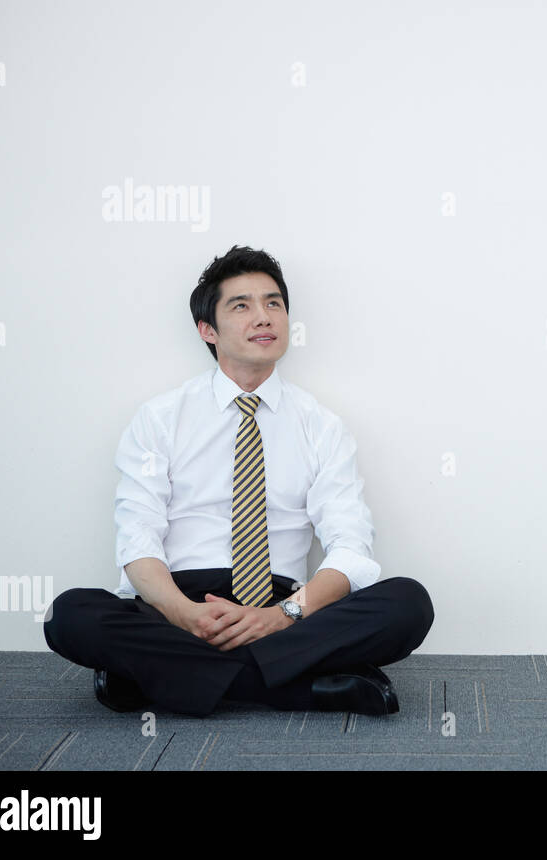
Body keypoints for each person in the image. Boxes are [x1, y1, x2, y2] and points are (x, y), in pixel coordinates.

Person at [43, 245, 433, 716]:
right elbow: (137, 539)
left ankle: (157, 680)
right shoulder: (161, 418)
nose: (264, 317)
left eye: (274, 303)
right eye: (241, 305)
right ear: (208, 329)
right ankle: (298, 688)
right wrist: (183, 614)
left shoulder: (321, 426)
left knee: (408, 603)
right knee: (69, 614)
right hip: (176, 606)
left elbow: (351, 547)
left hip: (283, 608)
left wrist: (277, 618)